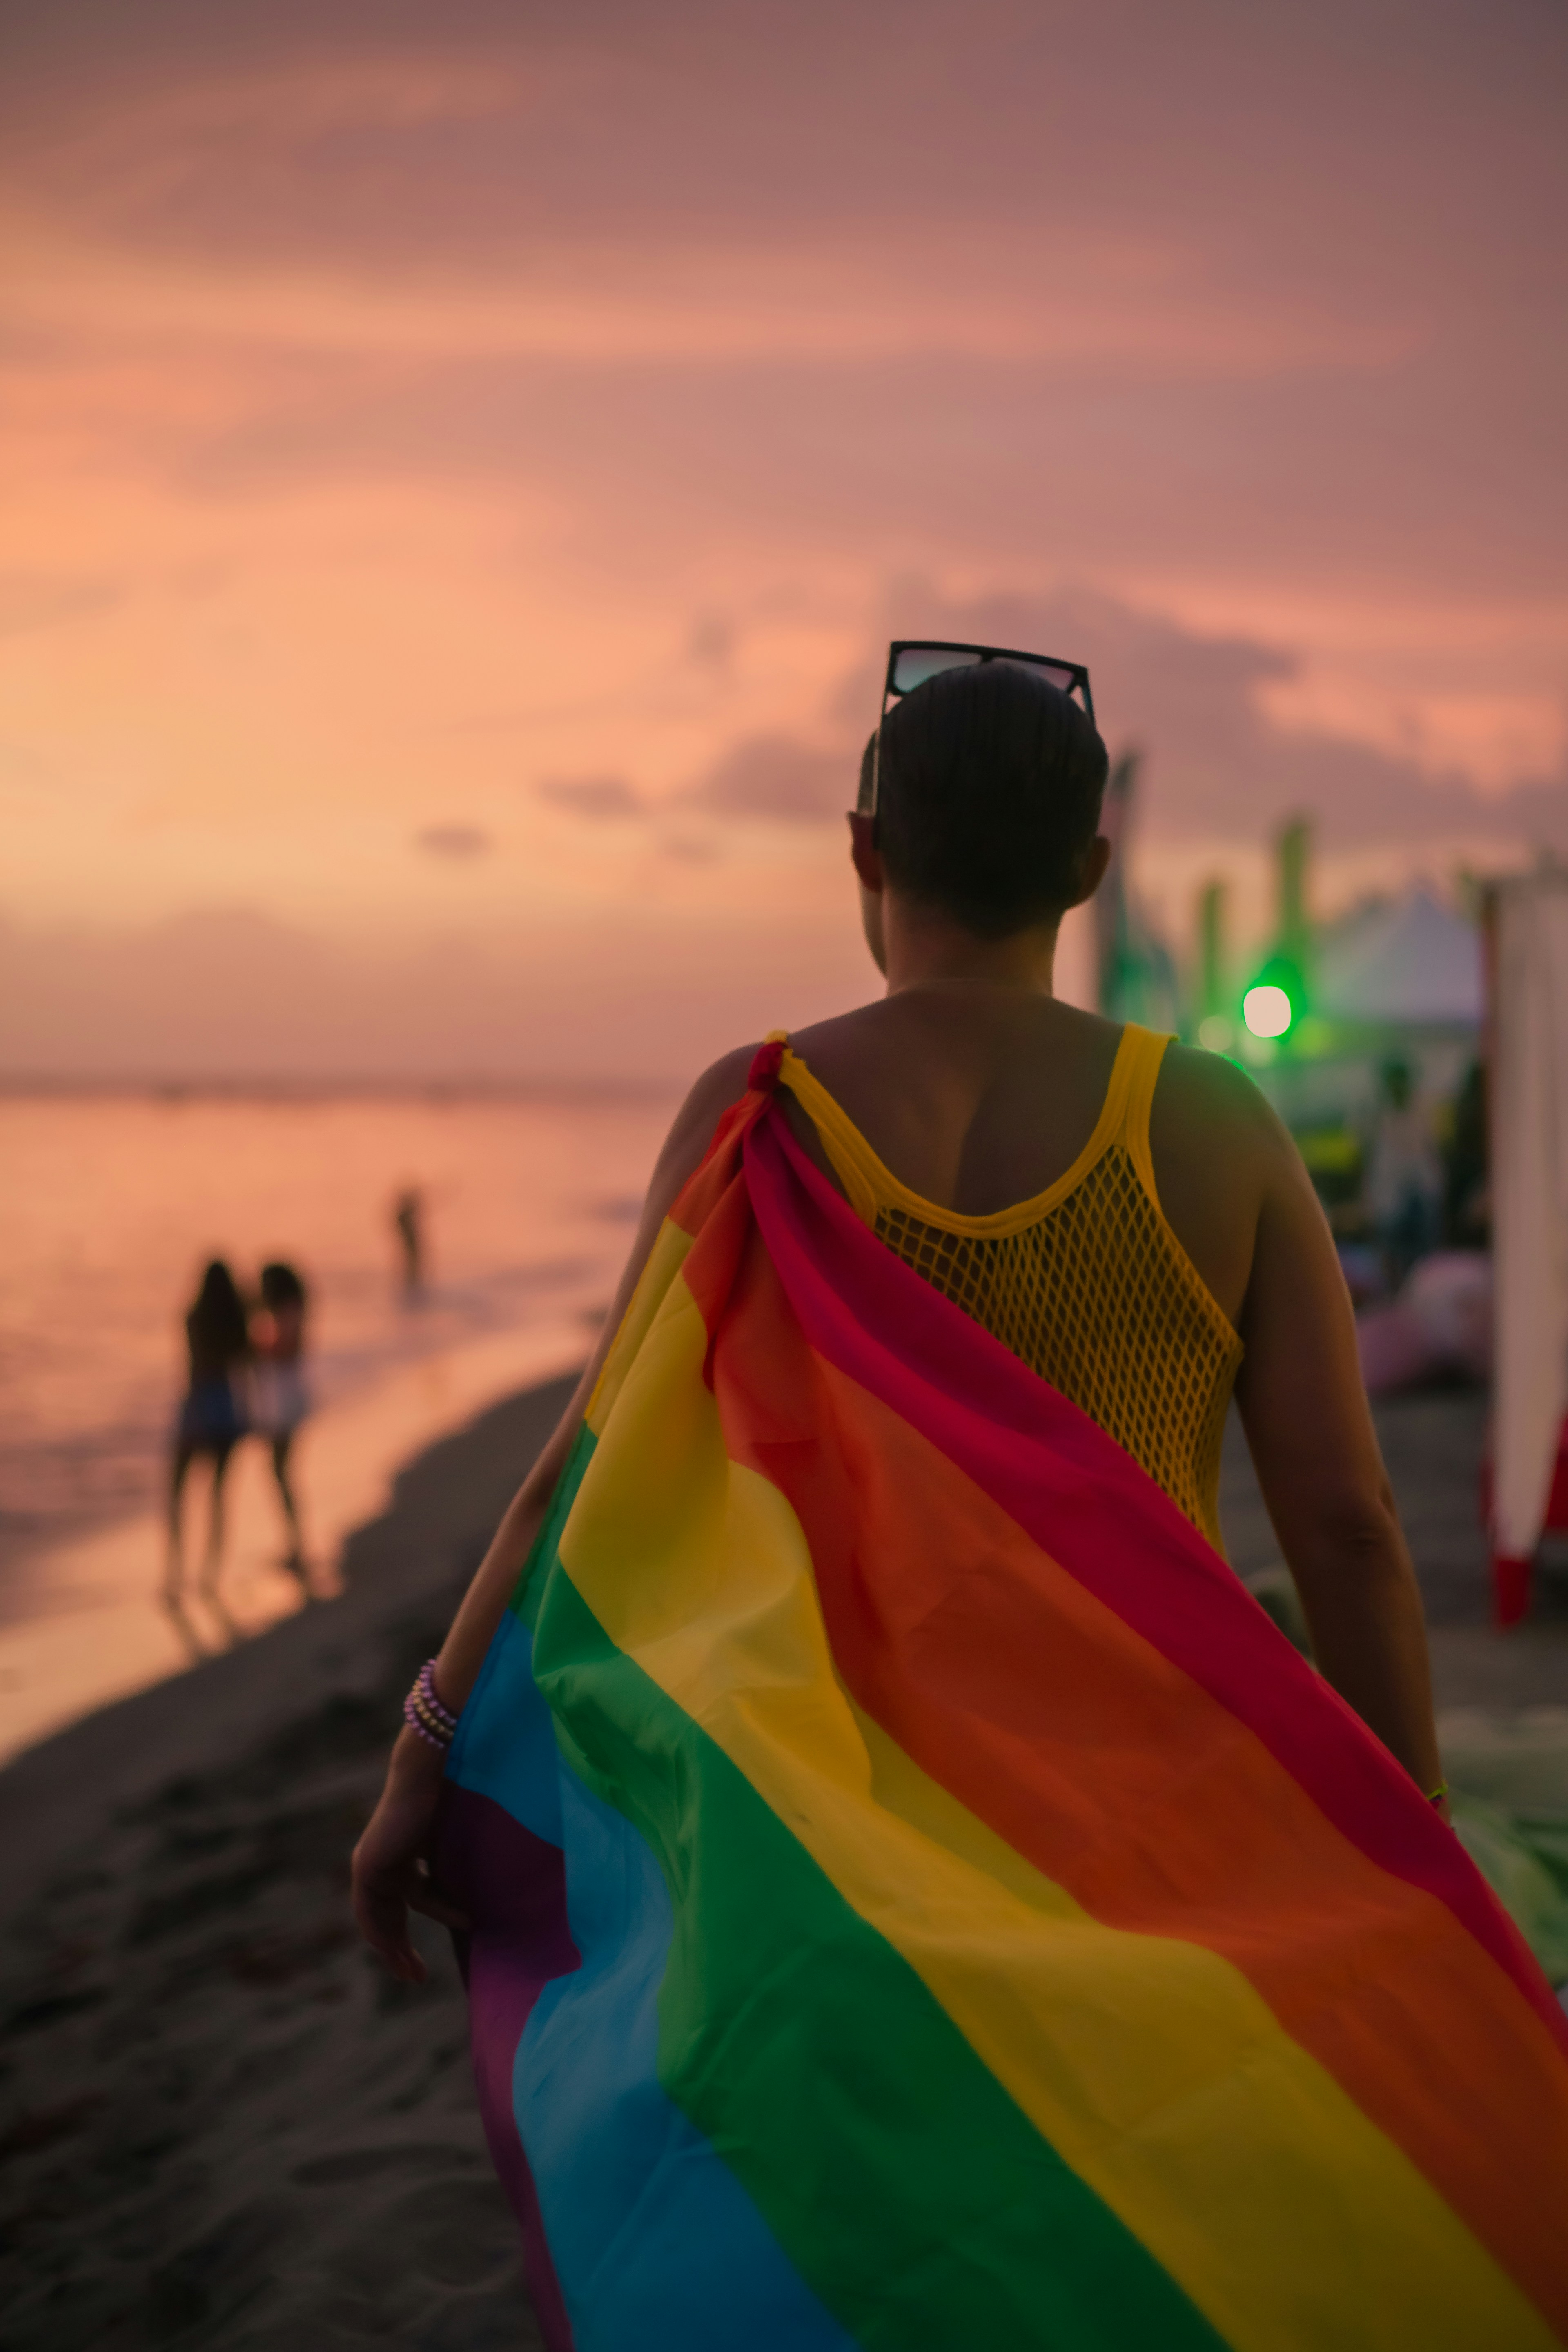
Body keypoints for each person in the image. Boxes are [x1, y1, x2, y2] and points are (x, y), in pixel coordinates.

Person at [353, 656, 1566, 2348]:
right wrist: (1406, 1844)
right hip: (1168, 1812)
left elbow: (574, 1471)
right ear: (1091, 863)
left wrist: (428, 1741)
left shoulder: (758, 1114)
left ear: (865, 849)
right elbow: (1351, 1530)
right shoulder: (1214, 1125)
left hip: (853, 1830)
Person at [167, 1257, 250, 1618]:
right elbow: (246, 1369)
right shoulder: (236, 1323)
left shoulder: (194, 1318)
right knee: (218, 1496)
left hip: (200, 1403)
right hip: (229, 1407)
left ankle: (174, 1573)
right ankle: (209, 1575)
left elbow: (193, 1368)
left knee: (178, 1492)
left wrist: (195, 1416)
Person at [251, 1259, 311, 1586]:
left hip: (285, 1400)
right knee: (281, 1473)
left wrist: (254, 1344)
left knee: (281, 1472)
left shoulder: (289, 1310)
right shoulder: (292, 1307)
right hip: (286, 1397)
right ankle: (294, 1541)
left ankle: (296, 1543)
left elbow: (283, 1348)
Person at [1365, 1054, 1443, 1288]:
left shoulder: (1422, 1112)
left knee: (1423, 1263)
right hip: (1390, 1202)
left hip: (1419, 1195)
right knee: (1395, 1261)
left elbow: (1430, 1153)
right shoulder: (1375, 1116)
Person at [392, 1186, 425, 1297]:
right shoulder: (403, 1216)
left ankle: (413, 1281)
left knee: (413, 1262)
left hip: (411, 1243)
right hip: (410, 1243)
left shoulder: (403, 1215)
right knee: (412, 1261)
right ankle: (411, 1282)